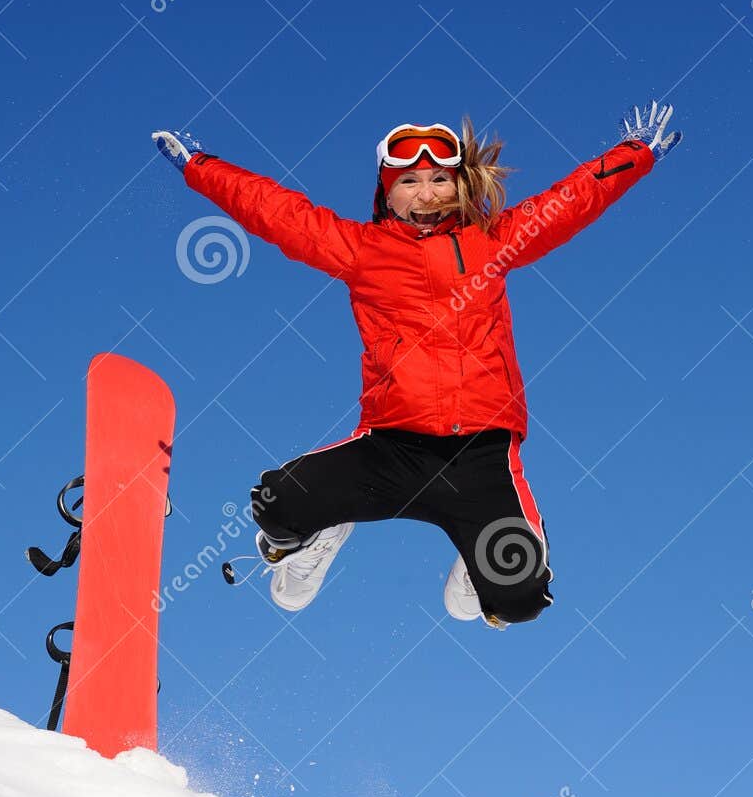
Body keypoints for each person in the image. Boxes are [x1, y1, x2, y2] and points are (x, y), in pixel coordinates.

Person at [153, 104, 681, 628]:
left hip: (480, 457)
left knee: (520, 598)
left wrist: (636, 154)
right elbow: (276, 211)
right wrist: (200, 167)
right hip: (391, 449)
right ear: (386, 191)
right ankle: (317, 533)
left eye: (438, 180)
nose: (425, 194)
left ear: (461, 186)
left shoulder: (492, 241)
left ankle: (480, 570)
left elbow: (570, 202)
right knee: (275, 501)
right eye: (408, 182)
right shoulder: (361, 251)